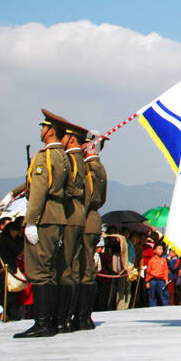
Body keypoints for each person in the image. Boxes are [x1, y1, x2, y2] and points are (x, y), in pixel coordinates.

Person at [15, 110, 75, 339]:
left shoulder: (46, 156)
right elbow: (70, 189)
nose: (41, 130)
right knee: (49, 271)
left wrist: (31, 221)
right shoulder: (64, 157)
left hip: (44, 217)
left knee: (39, 271)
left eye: (43, 127)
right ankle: (48, 321)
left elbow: (39, 190)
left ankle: (42, 323)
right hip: (56, 215)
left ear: (50, 131)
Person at [56, 117, 91, 331]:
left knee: (66, 268)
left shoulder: (74, 159)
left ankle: (63, 318)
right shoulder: (78, 159)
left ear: (70, 138)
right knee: (74, 267)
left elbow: (79, 191)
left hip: (70, 215)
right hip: (78, 215)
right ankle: (75, 317)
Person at [72, 135, 107, 331]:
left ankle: (82, 316)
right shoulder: (97, 166)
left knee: (82, 271)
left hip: (84, 221)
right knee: (85, 271)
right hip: (92, 221)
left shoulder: (91, 167)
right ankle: (83, 316)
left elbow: (90, 197)